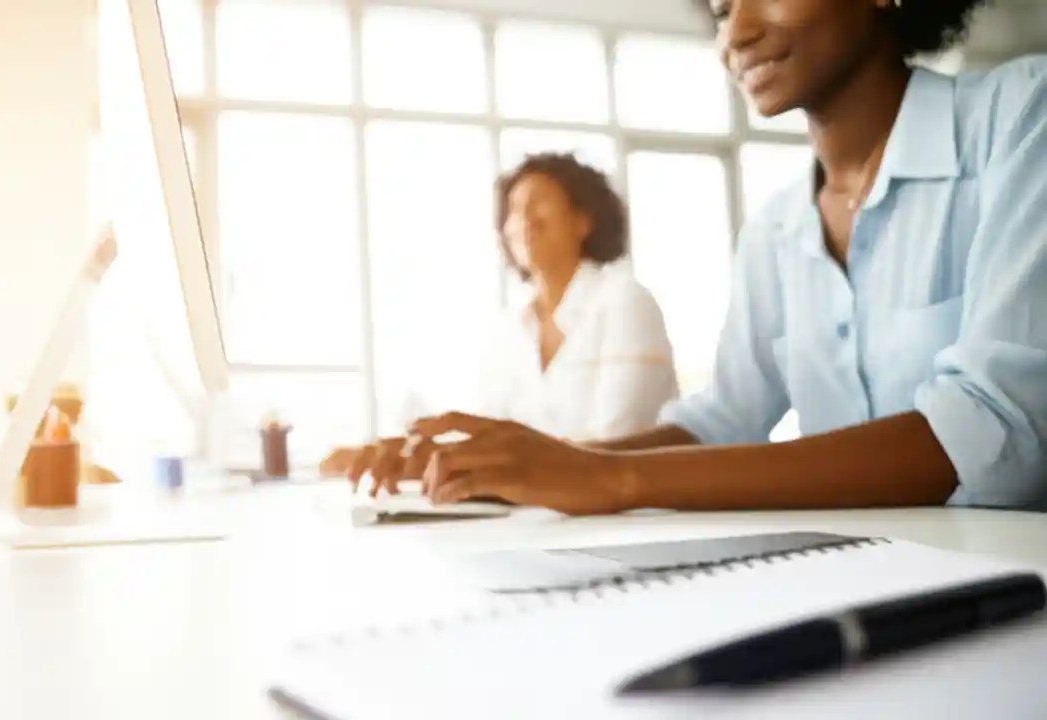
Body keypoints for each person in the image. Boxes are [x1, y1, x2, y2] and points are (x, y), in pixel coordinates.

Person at [392, 0, 1047, 514]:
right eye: (722, 7)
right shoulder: (776, 228)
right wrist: (515, 465)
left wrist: (613, 477)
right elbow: (726, 418)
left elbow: (991, 430)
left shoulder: (1021, 118)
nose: (735, 35)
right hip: (852, 577)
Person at [323, 153, 678, 494]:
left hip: (630, 521)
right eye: (512, 210)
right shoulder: (509, 329)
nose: (522, 219)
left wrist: (476, 466)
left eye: (537, 202)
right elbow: (490, 439)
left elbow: (613, 451)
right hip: (535, 521)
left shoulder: (624, 302)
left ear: (583, 220)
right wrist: (415, 456)